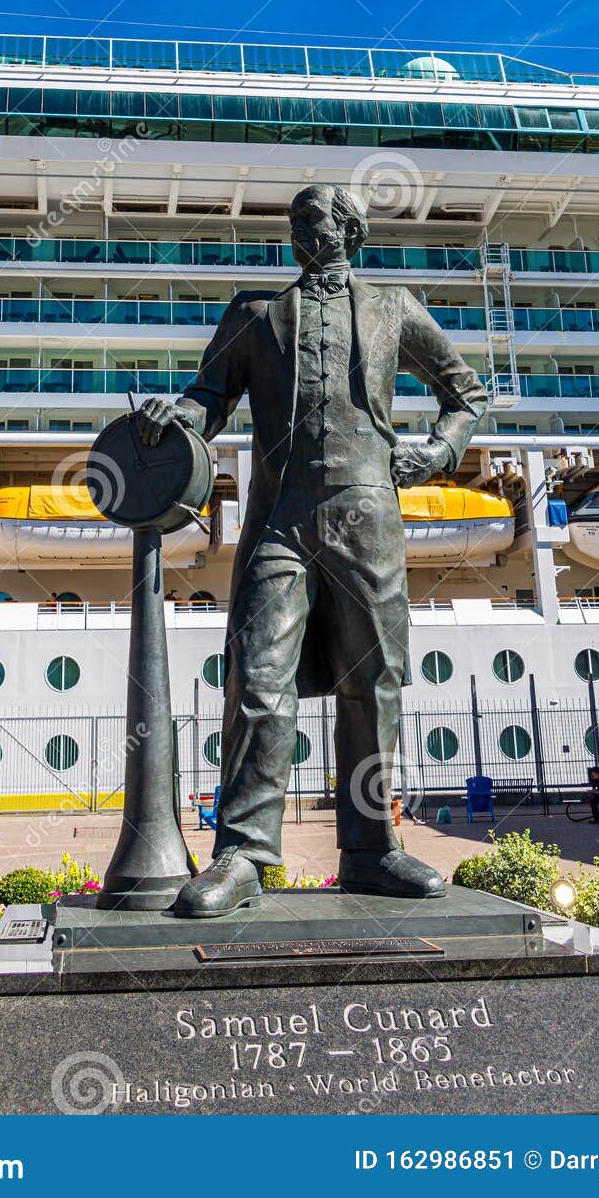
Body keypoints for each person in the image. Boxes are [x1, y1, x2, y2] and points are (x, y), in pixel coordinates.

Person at [136, 183, 486, 917]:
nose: (297, 230)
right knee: (258, 675)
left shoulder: (394, 306)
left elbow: (465, 394)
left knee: (375, 679)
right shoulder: (254, 312)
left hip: (370, 516)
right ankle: (242, 855)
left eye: (312, 220)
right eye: (292, 219)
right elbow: (211, 396)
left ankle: (371, 850)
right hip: (278, 518)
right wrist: (177, 413)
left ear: (350, 231)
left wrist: (437, 453)